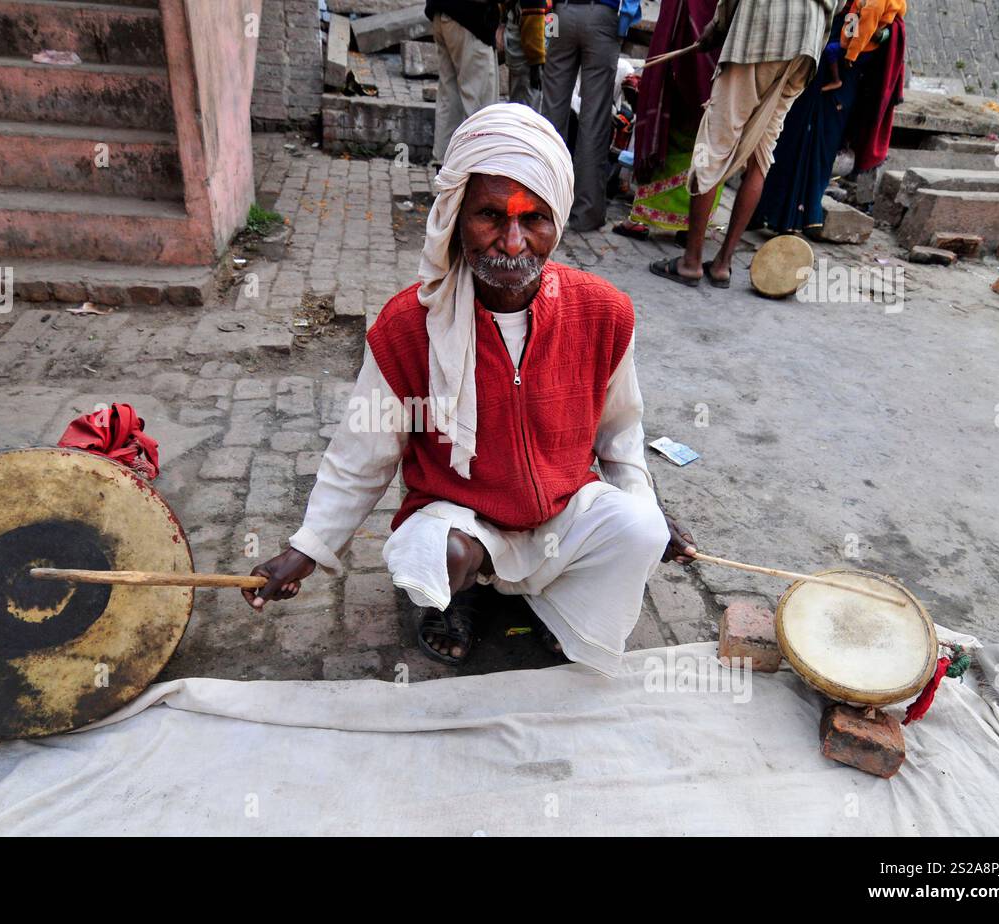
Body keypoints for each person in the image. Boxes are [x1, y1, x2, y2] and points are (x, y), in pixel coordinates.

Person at [243, 104, 696, 672]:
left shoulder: (604, 312)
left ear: (556, 222)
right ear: (455, 215)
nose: (512, 242)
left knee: (639, 528)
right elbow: (363, 455)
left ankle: (559, 604)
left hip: (558, 516)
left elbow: (621, 433)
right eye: (490, 215)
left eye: (534, 218)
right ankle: (458, 599)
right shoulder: (409, 326)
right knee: (441, 554)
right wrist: (307, 549)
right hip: (465, 525)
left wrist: (647, 509)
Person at [648, 0, 838, 288]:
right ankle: (722, 265)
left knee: (714, 143)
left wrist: (717, 27)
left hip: (761, 29)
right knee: (761, 153)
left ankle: (691, 262)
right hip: (807, 41)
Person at [751, 0, 907, 236]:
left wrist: (870, 40)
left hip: (845, 67)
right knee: (789, 136)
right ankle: (764, 211)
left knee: (821, 142)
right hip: (821, 57)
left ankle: (796, 218)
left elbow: (874, 24)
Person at [613, 0, 725, 241]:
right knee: (708, 143)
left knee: (667, 132)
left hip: (684, 59)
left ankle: (640, 218)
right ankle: (693, 226)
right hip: (717, 68)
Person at [541, 0, 641, 231]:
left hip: (560, 14)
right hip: (602, 16)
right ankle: (585, 213)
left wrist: (551, 16)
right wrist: (623, 23)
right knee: (594, 120)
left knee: (551, 115)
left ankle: (542, 201)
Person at [426, 0, 502, 164]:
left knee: (449, 97)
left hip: (443, 13)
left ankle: (444, 162)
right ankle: (475, 165)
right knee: (480, 104)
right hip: (470, 19)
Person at [500, 0, 549, 112]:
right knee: (526, 111)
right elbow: (533, 22)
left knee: (520, 105)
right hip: (528, 62)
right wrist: (536, 61)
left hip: (523, 57)